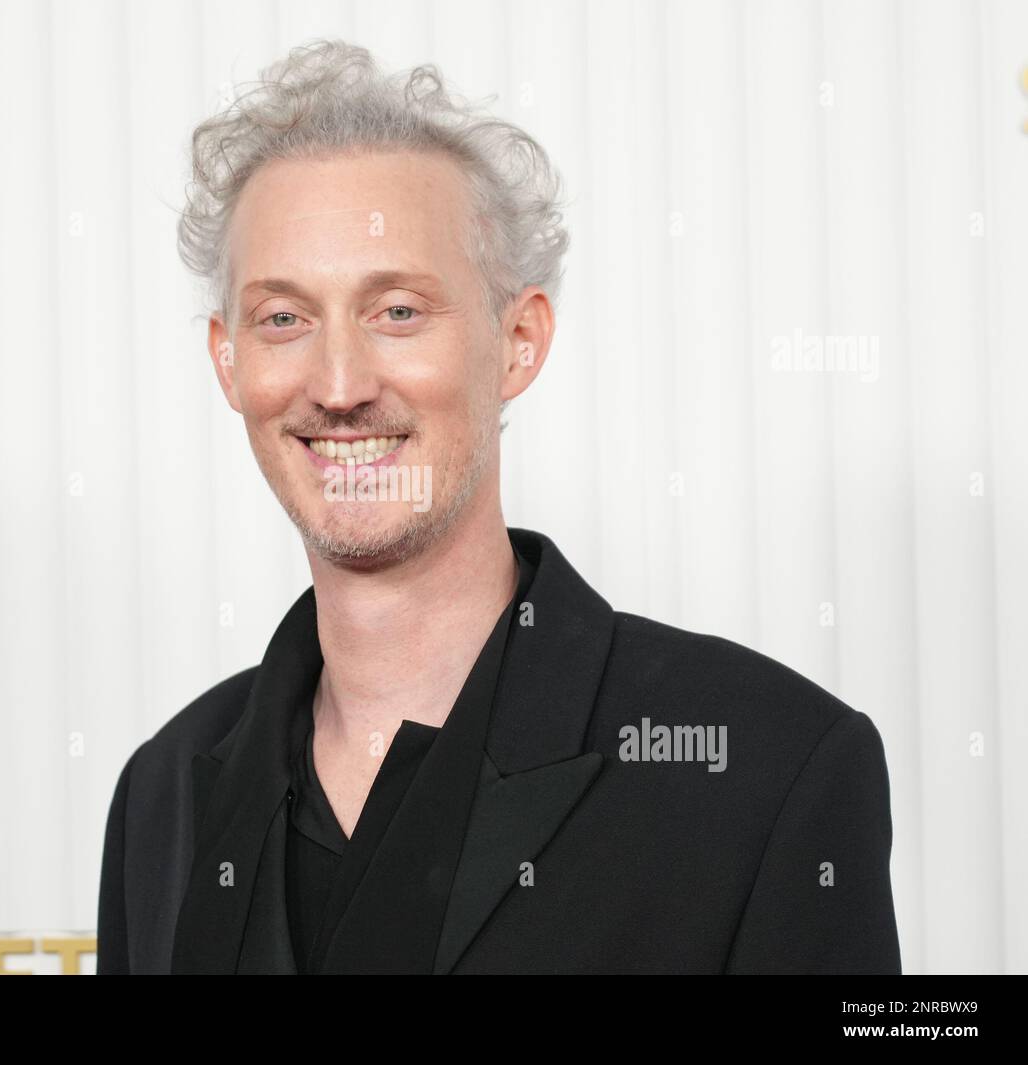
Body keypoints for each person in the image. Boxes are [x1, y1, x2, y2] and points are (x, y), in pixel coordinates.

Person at [96, 39, 901, 974]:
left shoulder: (768, 766)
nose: (341, 382)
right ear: (228, 361)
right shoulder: (166, 793)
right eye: (283, 318)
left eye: (397, 310)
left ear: (518, 340)